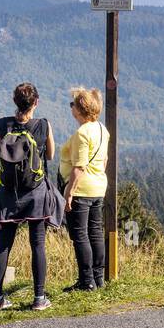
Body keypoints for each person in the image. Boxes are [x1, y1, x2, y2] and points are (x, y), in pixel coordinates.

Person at [0, 82, 63, 311]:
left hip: (8, 193)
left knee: (4, 245)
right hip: (35, 193)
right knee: (37, 245)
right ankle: (39, 298)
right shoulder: (43, 126)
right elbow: (49, 155)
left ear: (14, 102)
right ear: (36, 102)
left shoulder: (2, 125)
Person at [61, 86, 110, 291]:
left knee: (80, 235)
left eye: (73, 104)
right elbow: (105, 159)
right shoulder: (101, 129)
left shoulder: (82, 133)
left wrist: (69, 192)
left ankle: (86, 281)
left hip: (81, 188)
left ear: (79, 110)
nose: (71, 107)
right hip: (98, 186)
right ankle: (98, 278)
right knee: (95, 232)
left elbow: (79, 167)